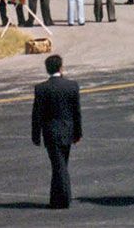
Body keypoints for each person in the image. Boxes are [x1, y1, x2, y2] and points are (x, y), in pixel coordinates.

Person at [31, 54, 82, 210]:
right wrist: (78, 133)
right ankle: (57, 198)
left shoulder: (41, 88)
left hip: (51, 132)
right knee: (61, 164)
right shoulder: (72, 86)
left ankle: (63, 198)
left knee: (58, 165)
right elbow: (76, 112)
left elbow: (37, 114)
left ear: (47, 69)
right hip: (67, 130)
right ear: (61, 67)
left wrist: (35, 135)